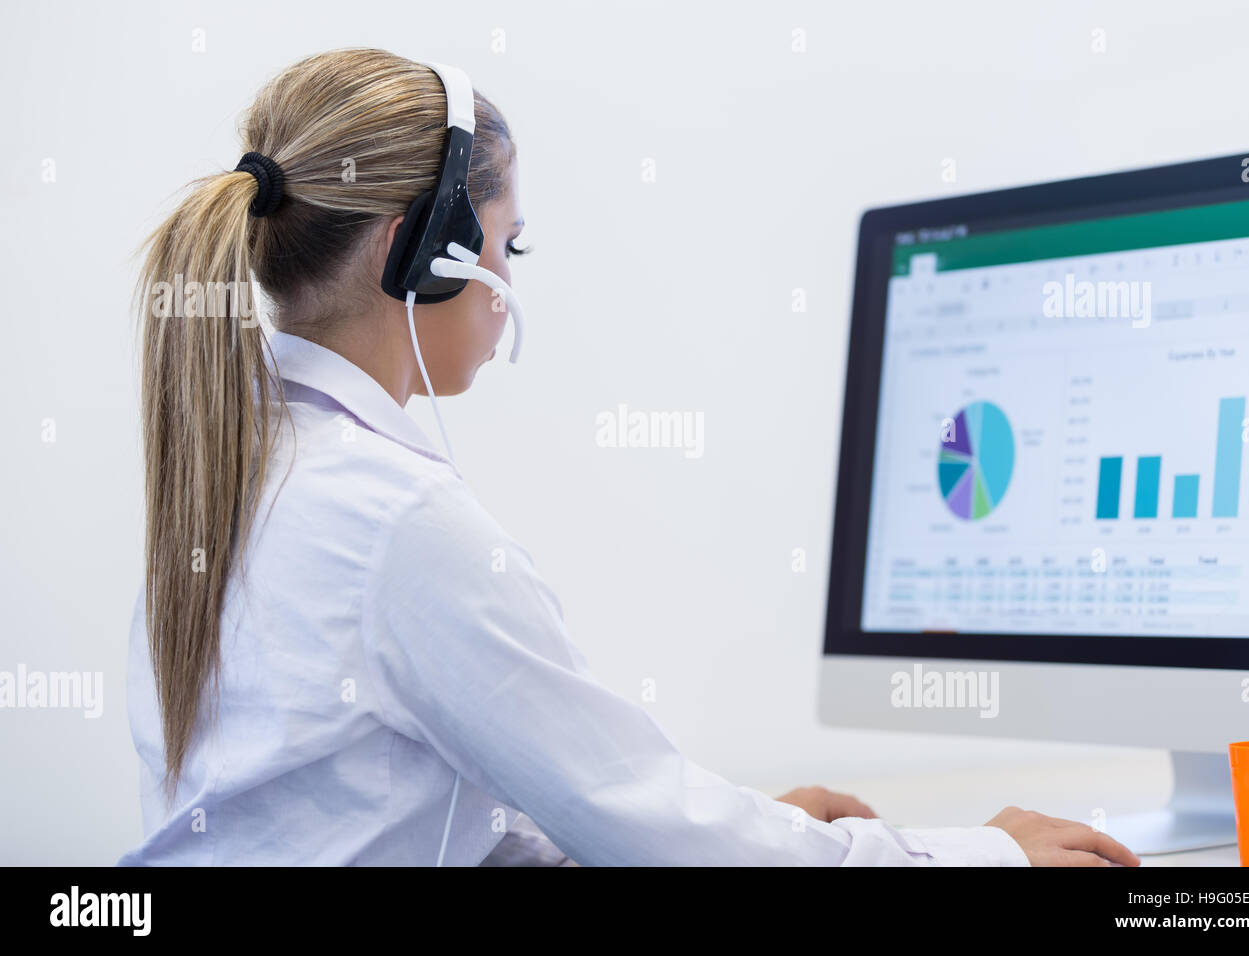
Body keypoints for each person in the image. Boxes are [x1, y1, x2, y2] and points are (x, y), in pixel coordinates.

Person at [119, 47, 1140, 867]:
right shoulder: (395, 522)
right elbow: (643, 815)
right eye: (507, 245)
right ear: (419, 257)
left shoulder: (245, 470)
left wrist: (711, 829)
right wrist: (977, 853)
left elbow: (395, 818)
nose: (508, 277)